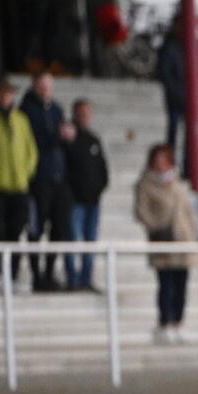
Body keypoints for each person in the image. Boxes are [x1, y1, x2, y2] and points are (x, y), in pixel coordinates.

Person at [134, 144, 198, 345]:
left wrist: (192, 231)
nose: (161, 164)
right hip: (163, 241)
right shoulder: (146, 184)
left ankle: (178, 323)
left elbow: (188, 211)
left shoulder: (178, 182)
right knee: (166, 285)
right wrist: (156, 227)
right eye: (157, 160)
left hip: (183, 241)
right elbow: (142, 212)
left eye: (164, 159)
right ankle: (165, 323)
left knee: (181, 286)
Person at [18, 71, 71, 292]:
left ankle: (49, 272)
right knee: (35, 228)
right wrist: (56, 137)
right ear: (33, 86)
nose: (45, 89)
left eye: (48, 85)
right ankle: (36, 274)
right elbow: (32, 142)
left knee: (59, 228)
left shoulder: (57, 109)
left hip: (58, 178)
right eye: (41, 85)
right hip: (37, 179)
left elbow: (62, 142)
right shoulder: (26, 110)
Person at [0, 75, 38, 294]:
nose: (5, 96)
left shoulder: (20, 119)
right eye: (2, 91)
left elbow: (31, 151)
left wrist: (24, 172)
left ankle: (12, 274)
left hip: (18, 186)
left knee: (15, 232)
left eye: (9, 92)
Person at [63, 99, 109, 292]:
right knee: (72, 239)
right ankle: (72, 279)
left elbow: (103, 171)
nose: (84, 117)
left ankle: (86, 278)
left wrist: (98, 189)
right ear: (74, 114)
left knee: (90, 242)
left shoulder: (93, 140)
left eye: (87, 113)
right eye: (81, 113)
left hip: (93, 202)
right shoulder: (67, 139)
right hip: (74, 201)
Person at [155, 17, 198, 176]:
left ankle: (188, 168)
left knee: (191, 135)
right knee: (173, 132)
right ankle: (170, 165)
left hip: (191, 101)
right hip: (175, 99)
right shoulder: (169, 46)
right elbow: (165, 74)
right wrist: (180, 94)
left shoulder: (196, 46)